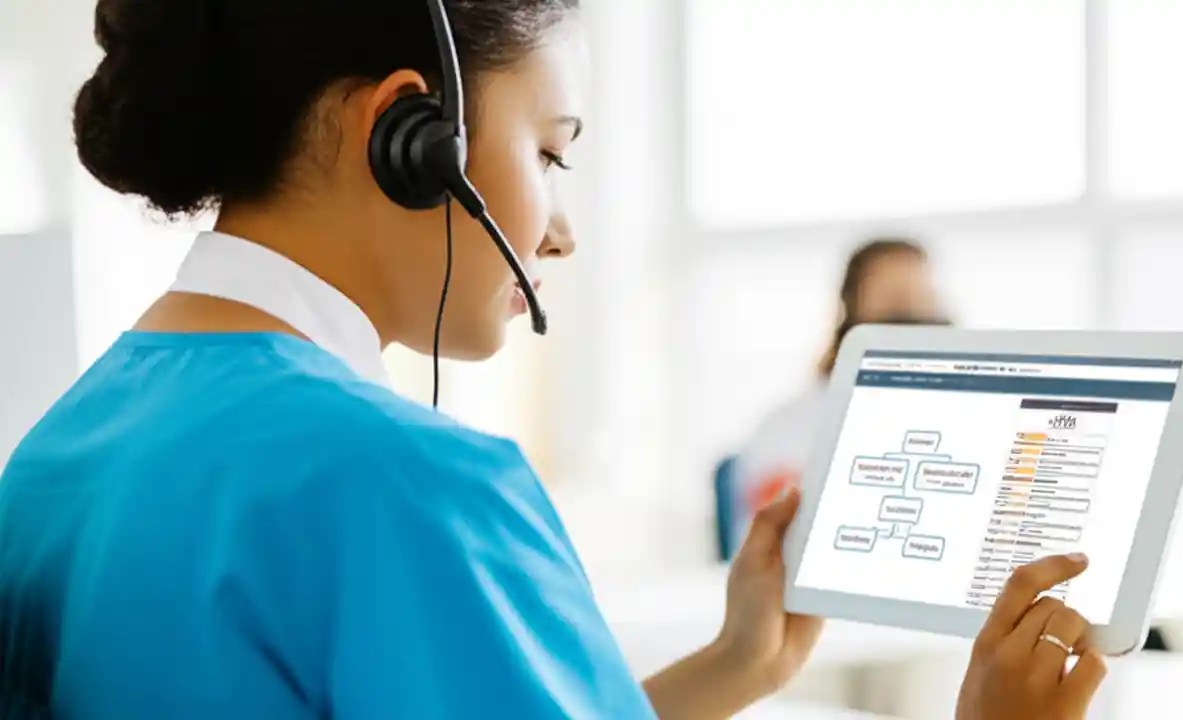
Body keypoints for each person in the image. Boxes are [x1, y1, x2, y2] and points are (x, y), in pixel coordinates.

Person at [0, 2, 1105, 718]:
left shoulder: (57, 455)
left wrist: (737, 668)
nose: (560, 231)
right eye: (548, 152)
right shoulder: (407, 483)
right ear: (408, 137)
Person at [734, 239, 947, 543]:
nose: (915, 315)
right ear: (852, 311)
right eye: (895, 299)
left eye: (924, 299)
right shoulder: (790, 423)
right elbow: (778, 528)